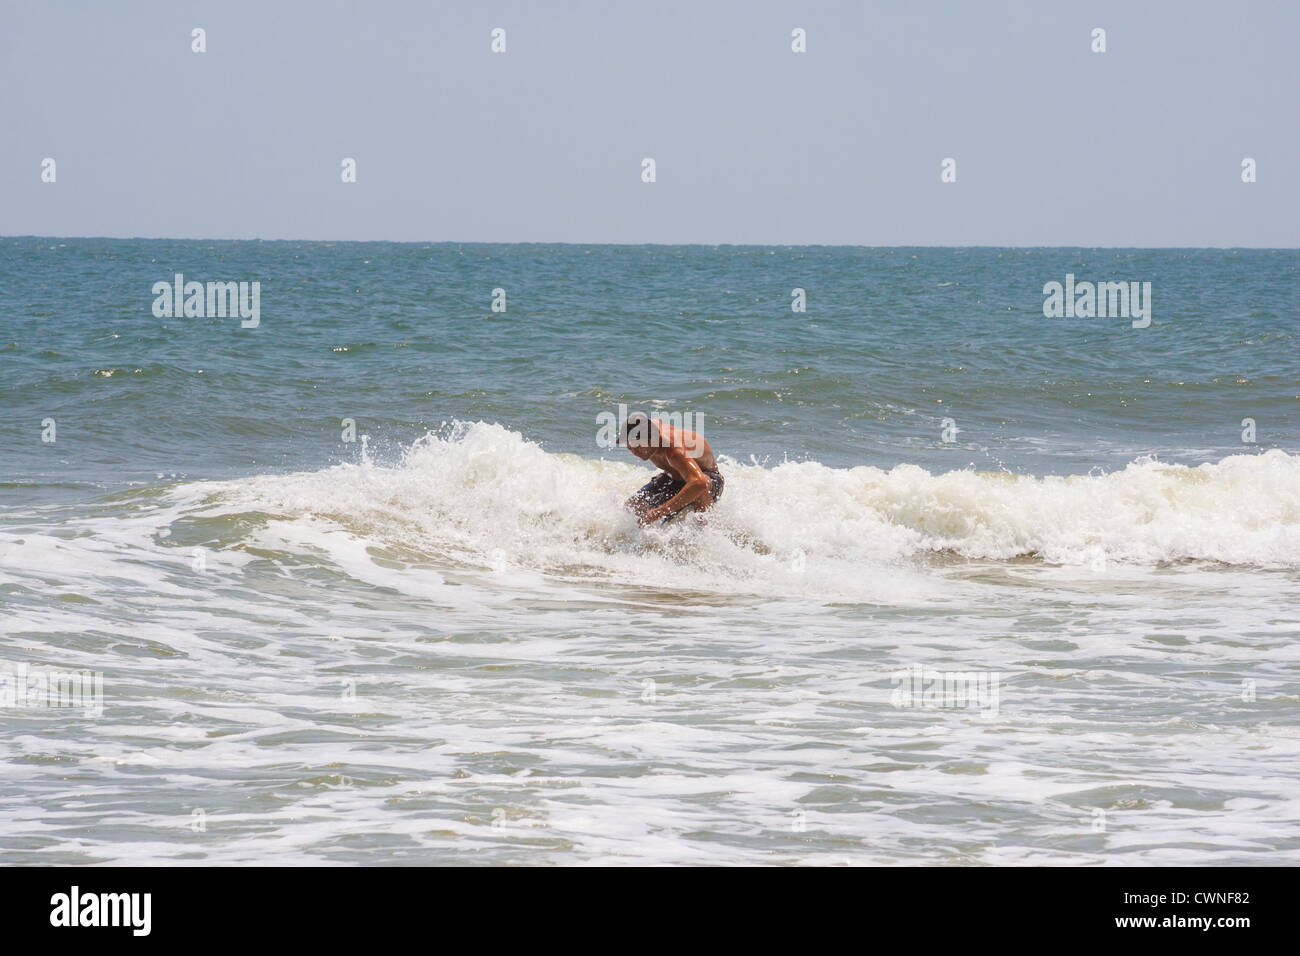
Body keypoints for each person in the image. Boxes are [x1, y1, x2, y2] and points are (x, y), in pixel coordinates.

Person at [620, 412, 723, 526]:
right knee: (631, 506)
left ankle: (704, 532)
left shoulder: (673, 452)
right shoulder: (651, 428)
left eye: (637, 446)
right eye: (630, 448)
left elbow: (701, 482)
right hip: (675, 477)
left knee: (702, 484)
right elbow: (656, 420)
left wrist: (659, 512)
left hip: (708, 477)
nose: (634, 453)